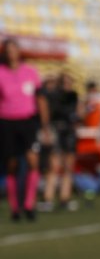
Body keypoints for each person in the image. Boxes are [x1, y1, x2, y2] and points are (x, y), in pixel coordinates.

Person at [0, 36, 49, 222]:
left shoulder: (30, 72)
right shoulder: (1, 73)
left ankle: (29, 204)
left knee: (32, 160)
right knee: (11, 165)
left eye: (14, 49)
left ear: (19, 51)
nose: (11, 52)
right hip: (6, 122)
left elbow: (41, 99)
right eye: (8, 49)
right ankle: (15, 208)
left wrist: (45, 125)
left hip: (27, 122)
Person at [38, 72, 81, 211]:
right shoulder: (53, 96)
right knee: (53, 166)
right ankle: (48, 198)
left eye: (69, 82)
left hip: (69, 132)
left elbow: (79, 115)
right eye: (64, 82)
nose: (67, 85)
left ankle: (65, 198)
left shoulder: (74, 96)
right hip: (57, 130)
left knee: (68, 167)